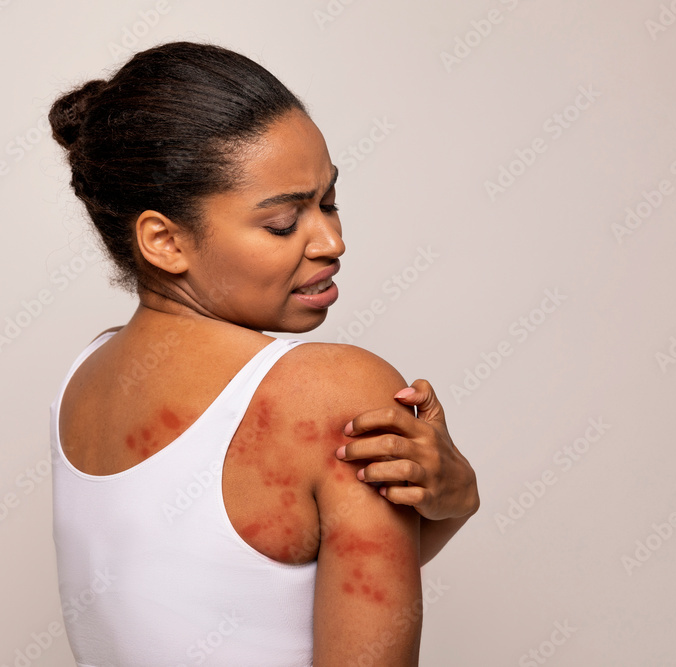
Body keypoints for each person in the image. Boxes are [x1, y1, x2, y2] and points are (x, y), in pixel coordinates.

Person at [47, 40, 479, 666]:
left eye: (328, 202)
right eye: (283, 223)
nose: (333, 241)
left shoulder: (82, 380)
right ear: (164, 241)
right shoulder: (333, 390)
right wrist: (462, 498)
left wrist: (450, 507)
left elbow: (232, 585)